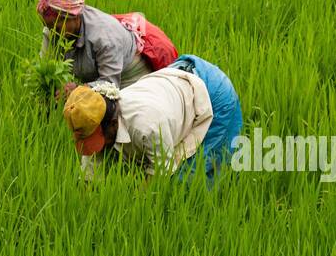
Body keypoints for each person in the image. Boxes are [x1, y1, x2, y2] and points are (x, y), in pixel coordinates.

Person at [62, 53, 242, 189]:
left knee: (186, 182)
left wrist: (135, 207)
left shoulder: (146, 126)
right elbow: (90, 175)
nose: (97, 147)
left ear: (113, 124)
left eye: (97, 138)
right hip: (176, 78)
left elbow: (160, 175)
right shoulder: (95, 117)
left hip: (212, 94)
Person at [36, 0, 177, 88]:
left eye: (58, 26)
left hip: (127, 78)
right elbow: (45, 70)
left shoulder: (103, 37)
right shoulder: (51, 31)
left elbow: (110, 85)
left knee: (111, 113)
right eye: (48, 26)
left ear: (74, 15)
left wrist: (78, 89)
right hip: (95, 78)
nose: (53, 32)